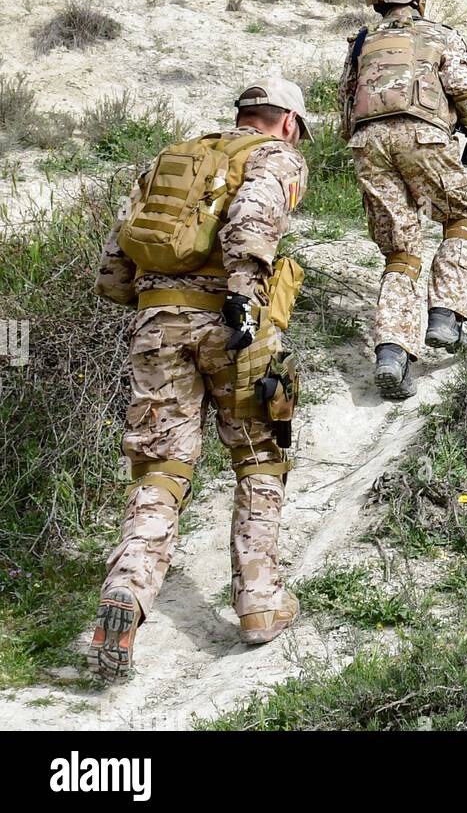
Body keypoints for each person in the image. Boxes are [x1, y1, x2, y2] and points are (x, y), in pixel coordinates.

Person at [88, 78, 310, 679]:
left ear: (241, 112)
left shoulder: (171, 158)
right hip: (232, 325)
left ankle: (128, 593)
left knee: (160, 467)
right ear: (286, 121)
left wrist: (158, 302)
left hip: (157, 321)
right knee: (260, 455)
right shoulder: (274, 156)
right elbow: (254, 217)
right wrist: (239, 293)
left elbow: (115, 264)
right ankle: (260, 604)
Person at [338, 0, 467, 399]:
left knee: (400, 250)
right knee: (458, 218)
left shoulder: (360, 43)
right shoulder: (439, 34)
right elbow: (465, 90)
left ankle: (392, 352)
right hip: (425, 140)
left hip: (368, 146)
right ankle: (445, 315)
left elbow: (346, 103)